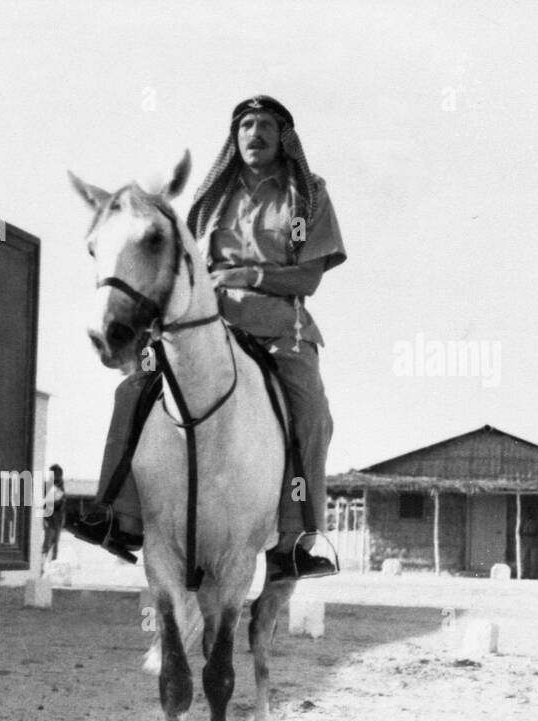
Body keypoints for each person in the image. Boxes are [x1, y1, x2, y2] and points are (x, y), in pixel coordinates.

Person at [66, 95, 346, 580]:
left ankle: (298, 541)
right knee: (133, 389)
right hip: (207, 328)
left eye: (265, 125)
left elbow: (307, 279)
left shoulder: (306, 198)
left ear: (285, 137)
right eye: (244, 125)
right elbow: (174, 269)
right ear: (233, 137)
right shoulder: (211, 200)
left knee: (312, 415)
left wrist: (245, 277)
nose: (253, 134)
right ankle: (117, 515)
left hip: (281, 331)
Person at [41, 463, 66, 568]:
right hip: (51, 518)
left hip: (56, 517)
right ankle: (43, 564)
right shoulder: (50, 485)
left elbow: (58, 501)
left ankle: (47, 564)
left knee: (54, 542)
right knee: (50, 542)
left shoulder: (59, 485)